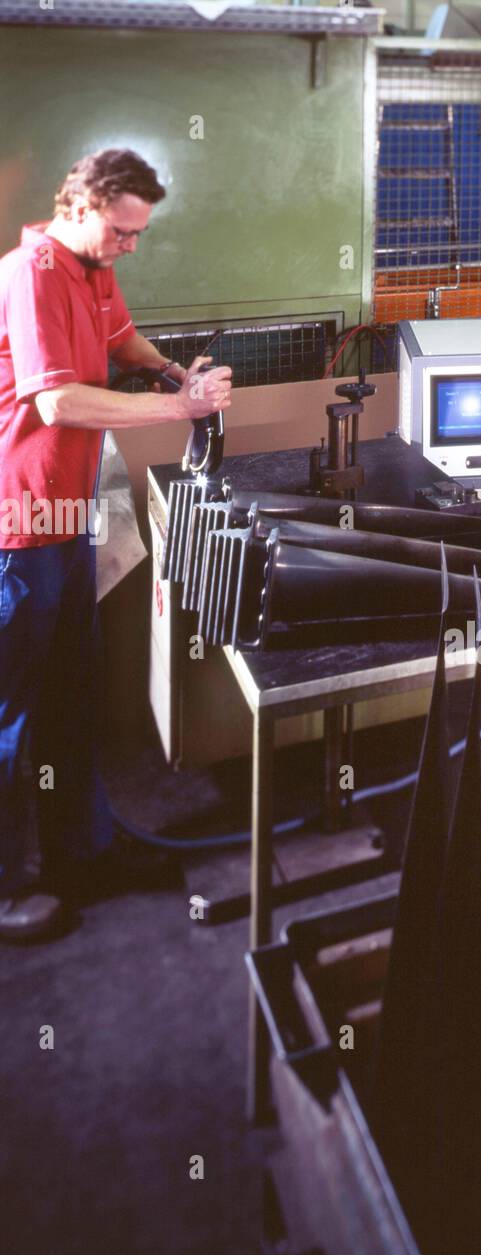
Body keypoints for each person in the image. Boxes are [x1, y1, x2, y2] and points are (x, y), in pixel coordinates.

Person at [0, 148, 231, 940]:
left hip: (67, 515)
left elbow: (124, 343)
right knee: (9, 713)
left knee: (73, 693)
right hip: (18, 524)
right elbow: (59, 402)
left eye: (138, 235)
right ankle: (7, 888)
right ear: (79, 206)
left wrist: (175, 377)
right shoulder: (31, 275)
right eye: (121, 231)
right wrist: (180, 411)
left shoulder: (93, 269)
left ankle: (84, 854)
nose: (130, 246)